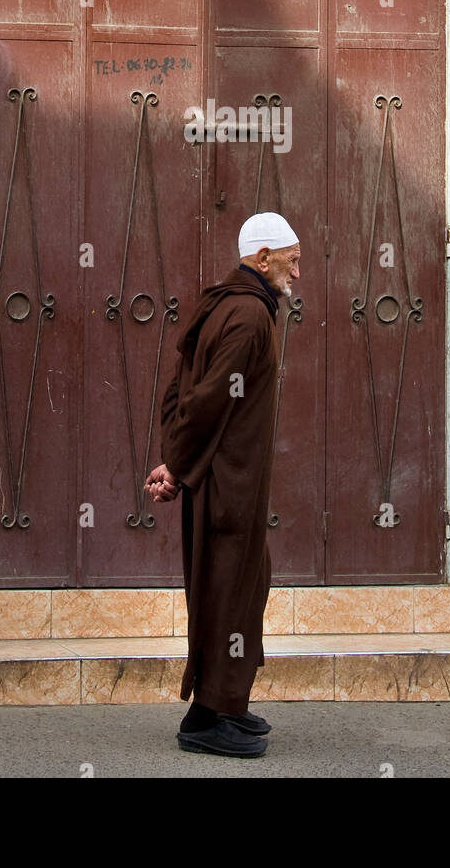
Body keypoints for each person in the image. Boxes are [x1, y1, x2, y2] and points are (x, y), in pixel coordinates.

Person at [145, 211, 301, 758]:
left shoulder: (222, 306)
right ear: (262, 259)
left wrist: (175, 459)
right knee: (231, 591)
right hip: (228, 484)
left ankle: (219, 707)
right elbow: (208, 397)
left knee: (234, 585)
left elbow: (178, 385)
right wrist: (178, 466)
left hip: (217, 478)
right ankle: (208, 718)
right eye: (292, 259)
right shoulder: (250, 315)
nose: (298, 272)